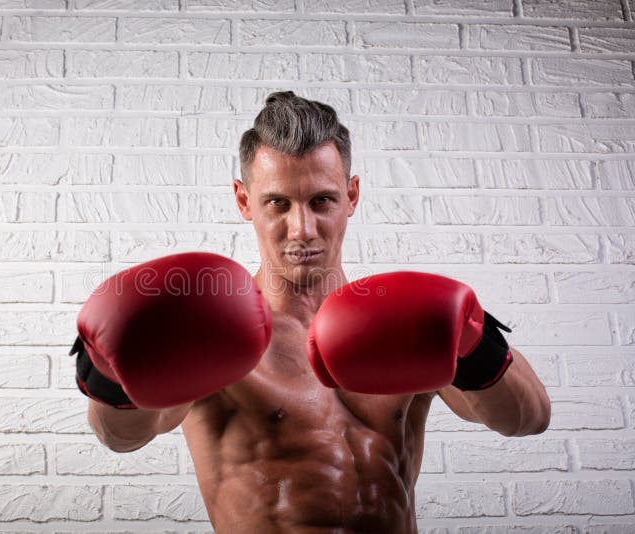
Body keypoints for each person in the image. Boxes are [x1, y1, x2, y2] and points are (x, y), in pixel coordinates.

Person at [70, 91, 551, 533]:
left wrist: (473, 341)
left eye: (322, 200)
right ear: (244, 201)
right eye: (277, 203)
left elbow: (526, 419)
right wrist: (110, 371)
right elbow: (121, 437)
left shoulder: (398, 323)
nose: (302, 229)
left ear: (352, 196)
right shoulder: (217, 334)